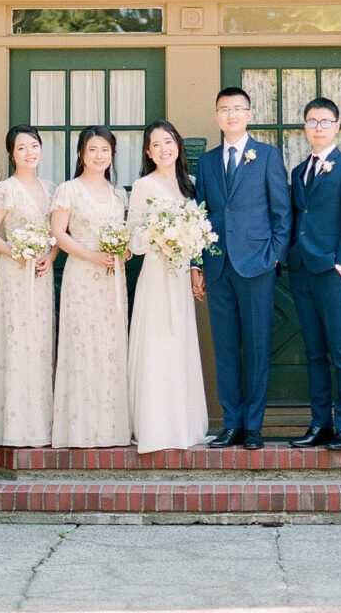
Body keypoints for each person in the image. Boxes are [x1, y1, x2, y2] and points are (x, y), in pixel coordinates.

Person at [192, 85, 291, 449]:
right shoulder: (206, 162)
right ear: (217, 116)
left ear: (249, 115)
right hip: (218, 267)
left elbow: (282, 211)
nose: (231, 115)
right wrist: (198, 263)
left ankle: (253, 426)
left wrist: (273, 254)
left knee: (257, 346)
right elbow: (200, 215)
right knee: (226, 347)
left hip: (257, 266)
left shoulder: (266, 156)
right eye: (224, 109)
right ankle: (230, 423)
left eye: (238, 109)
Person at [286, 97, 341, 450]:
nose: (317, 127)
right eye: (311, 121)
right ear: (304, 127)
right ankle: (320, 423)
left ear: (336, 127)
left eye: (324, 121)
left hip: (331, 271)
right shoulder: (298, 171)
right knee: (314, 350)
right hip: (302, 269)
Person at [126, 120, 210, 453]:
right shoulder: (143, 185)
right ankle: (154, 425)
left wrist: (194, 265)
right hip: (155, 274)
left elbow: (199, 236)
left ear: (177, 144)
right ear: (148, 152)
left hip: (180, 278)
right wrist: (158, 235)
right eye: (156, 144)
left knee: (180, 344)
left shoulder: (190, 184)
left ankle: (183, 425)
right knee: (157, 344)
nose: (164, 148)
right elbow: (133, 238)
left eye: (169, 141)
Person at [50, 125, 130, 448]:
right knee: (82, 345)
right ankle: (79, 428)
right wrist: (93, 257)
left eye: (105, 150)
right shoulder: (69, 190)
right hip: (81, 275)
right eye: (92, 150)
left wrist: (121, 252)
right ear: (81, 154)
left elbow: (125, 235)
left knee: (109, 347)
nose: (99, 156)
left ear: (112, 155)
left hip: (112, 279)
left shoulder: (118, 193)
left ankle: (111, 428)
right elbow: (59, 233)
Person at [0, 124, 57, 447]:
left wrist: (50, 256)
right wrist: (19, 253)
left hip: (41, 274)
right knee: (17, 342)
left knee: (40, 342)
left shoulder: (52, 188)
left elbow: (58, 233)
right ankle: (13, 428)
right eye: (22, 147)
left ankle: (41, 425)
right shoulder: (5, 189)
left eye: (34, 146)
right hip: (15, 273)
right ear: (12, 153)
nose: (30, 152)